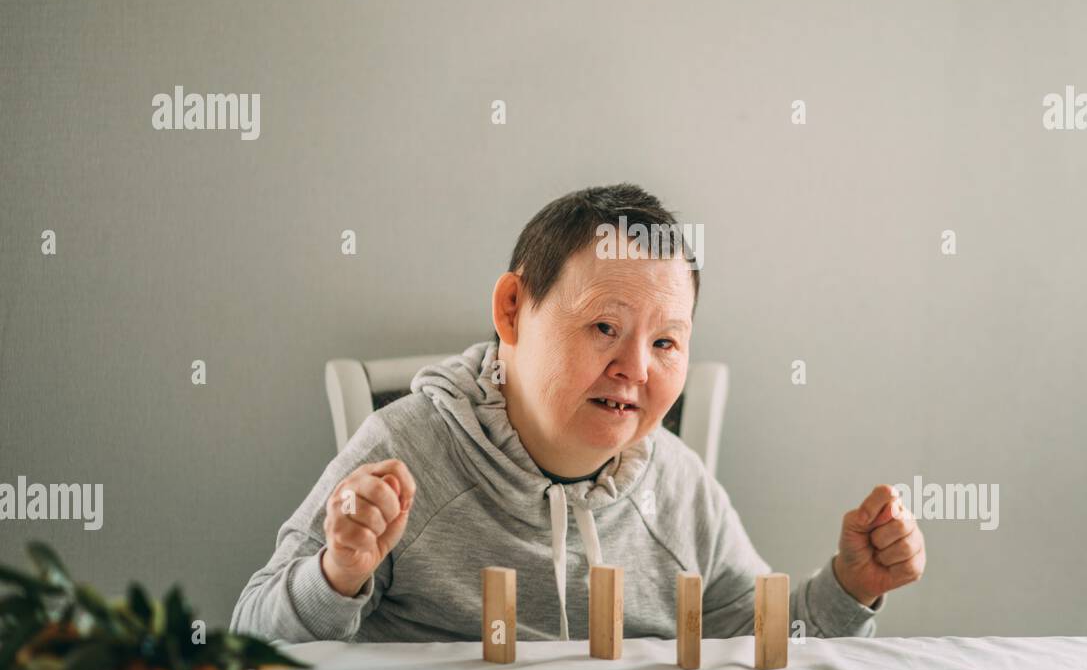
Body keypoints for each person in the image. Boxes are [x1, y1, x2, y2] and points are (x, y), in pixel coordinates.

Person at [230, 183, 925, 643]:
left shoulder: (679, 487)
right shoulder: (404, 449)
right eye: (603, 327)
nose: (636, 369)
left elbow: (765, 643)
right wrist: (336, 574)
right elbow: (251, 639)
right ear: (512, 310)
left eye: (666, 343)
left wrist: (850, 588)